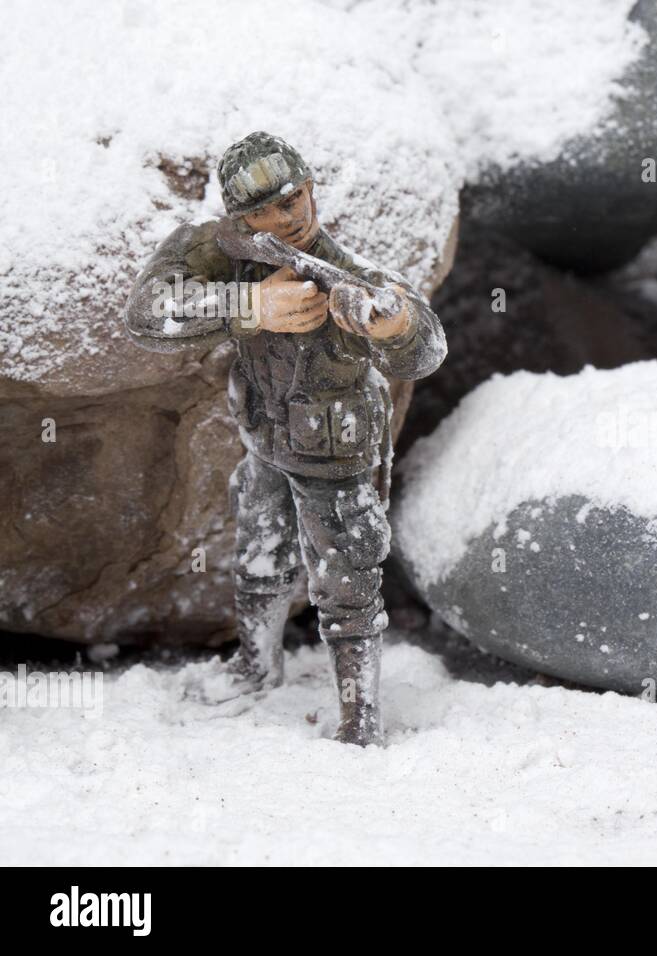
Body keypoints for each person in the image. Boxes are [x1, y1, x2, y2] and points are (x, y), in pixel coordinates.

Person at [124, 132, 446, 745]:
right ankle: (254, 664)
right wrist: (249, 304)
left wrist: (394, 323)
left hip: (334, 457)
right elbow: (146, 312)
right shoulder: (225, 252)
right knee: (259, 552)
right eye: (267, 209)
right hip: (265, 441)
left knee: (347, 581)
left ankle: (360, 719)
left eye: (296, 197)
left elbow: (424, 349)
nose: (290, 216)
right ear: (242, 218)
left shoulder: (345, 275)